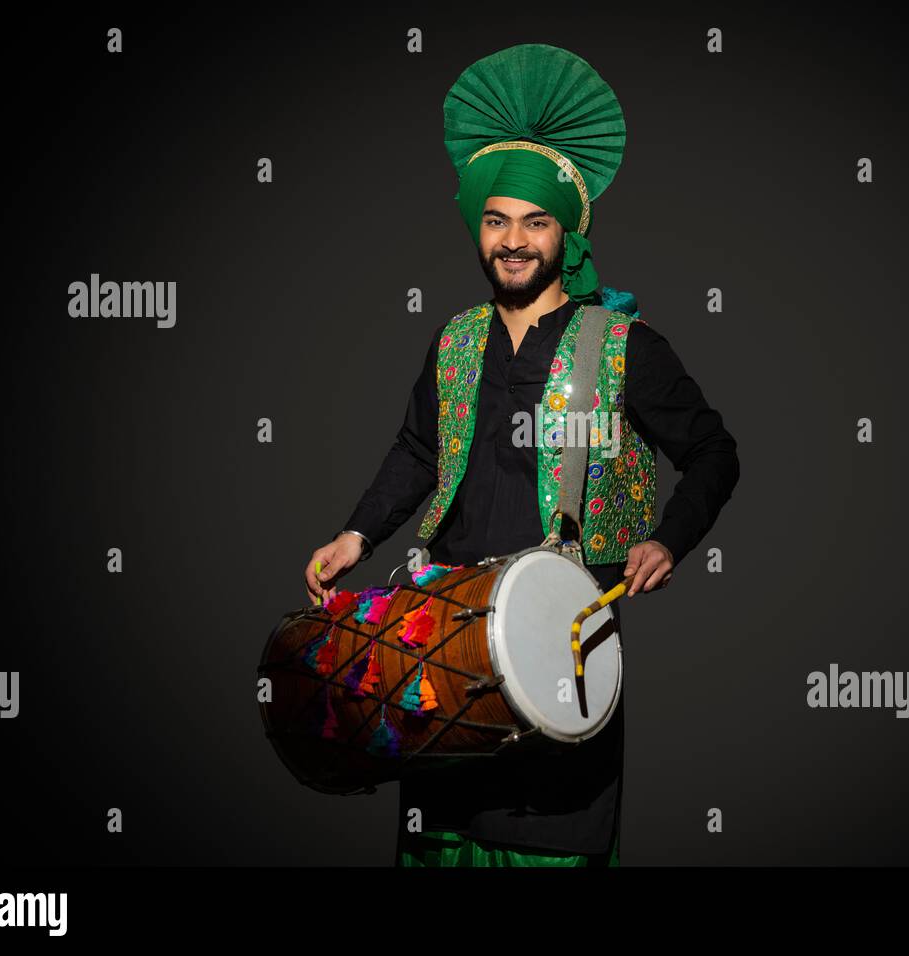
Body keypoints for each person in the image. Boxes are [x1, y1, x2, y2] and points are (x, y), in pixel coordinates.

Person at [303, 43, 740, 866]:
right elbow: (418, 448)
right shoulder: (456, 340)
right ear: (478, 227)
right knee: (438, 841)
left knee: (549, 847)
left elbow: (715, 450)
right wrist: (357, 535)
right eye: (497, 219)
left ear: (564, 231)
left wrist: (668, 538)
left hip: (561, 641)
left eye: (535, 221)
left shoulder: (623, 346)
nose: (513, 240)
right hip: (442, 638)